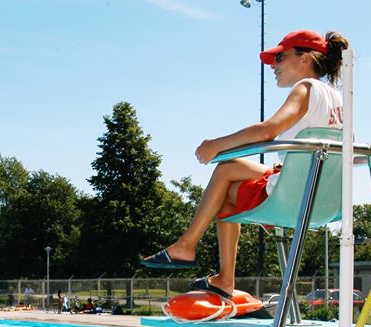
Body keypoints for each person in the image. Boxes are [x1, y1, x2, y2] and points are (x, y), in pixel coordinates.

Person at [141, 30, 348, 300]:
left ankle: (198, 255)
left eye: (279, 57)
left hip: (294, 199)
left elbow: (269, 130)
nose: (273, 65)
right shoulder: (337, 98)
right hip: (326, 201)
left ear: (304, 57)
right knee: (228, 168)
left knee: (225, 187)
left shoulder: (306, 88)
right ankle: (198, 255)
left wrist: (216, 144)